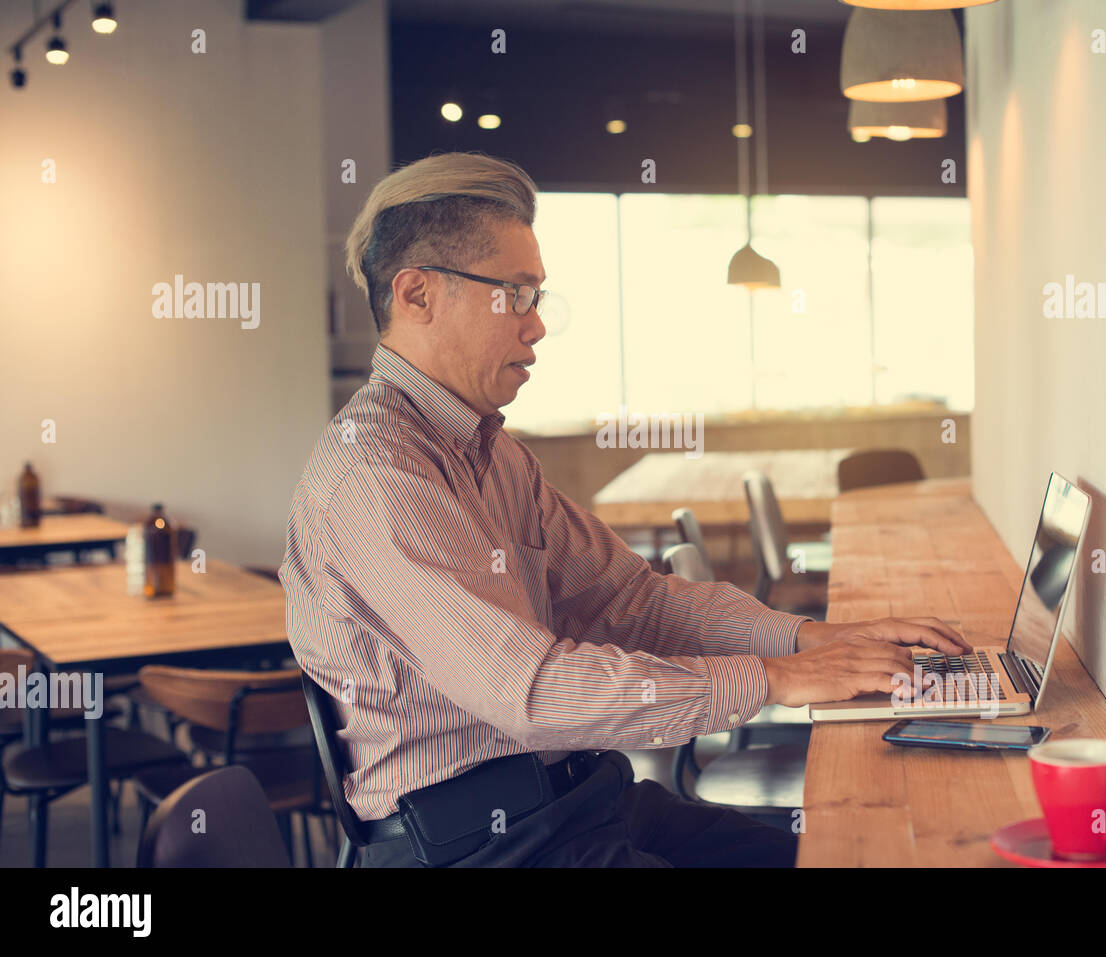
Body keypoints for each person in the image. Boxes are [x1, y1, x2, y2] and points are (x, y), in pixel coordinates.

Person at [279, 151, 970, 867]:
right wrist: (774, 681)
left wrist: (805, 640)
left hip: (580, 803)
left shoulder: (491, 452)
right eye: (514, 294)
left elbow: (637, 601)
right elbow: (534, 691)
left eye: (538, 297)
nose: (537, 325)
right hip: (482, 848)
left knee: (844, 854)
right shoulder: (376, 475)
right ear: (417, 294)